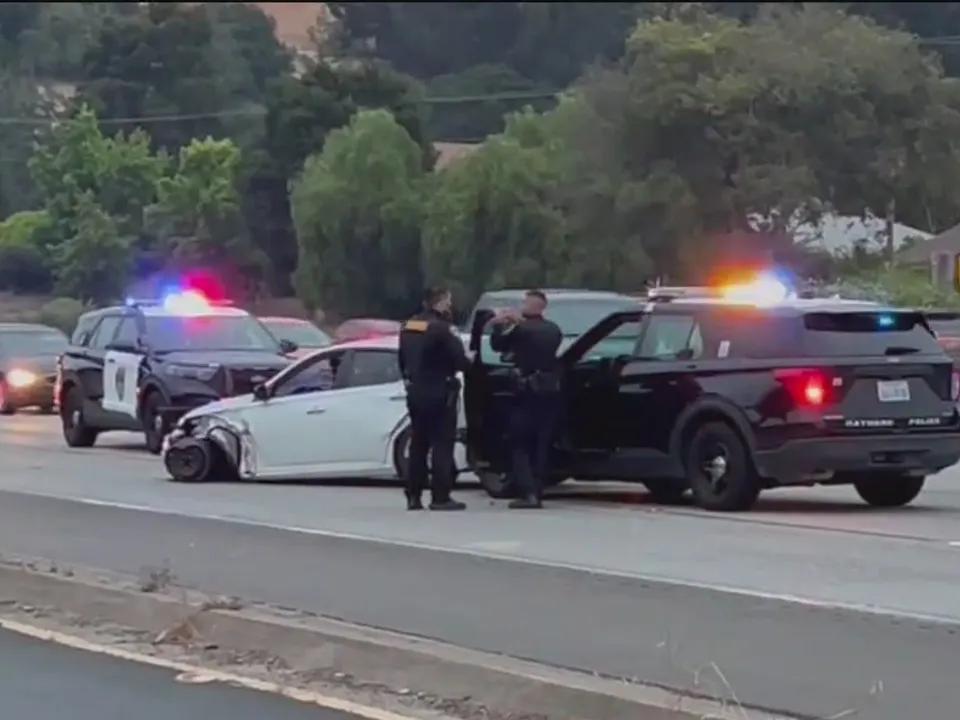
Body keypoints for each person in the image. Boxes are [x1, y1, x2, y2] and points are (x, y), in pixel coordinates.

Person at [398, 286, 471, 511]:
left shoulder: (409, 326)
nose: (450, 306)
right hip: (441, 391)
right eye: (448, 301)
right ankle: (440, 497)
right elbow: (460, 362)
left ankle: (413, 496)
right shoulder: (443, 328)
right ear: (439, 303)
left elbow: (402, 359)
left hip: (415, 391)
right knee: (442, 444)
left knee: (419, 444)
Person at [490, 289, 563, 509]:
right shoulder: (554, 330)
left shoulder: (521, 330)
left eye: (525, 302)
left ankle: (528, 492)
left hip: (526, 392)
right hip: (549, 392)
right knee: (541, 444)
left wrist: (500, 323)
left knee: (519, 443)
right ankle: (538, 490)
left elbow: (497, 345)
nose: (522, 305)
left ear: (533, 306)